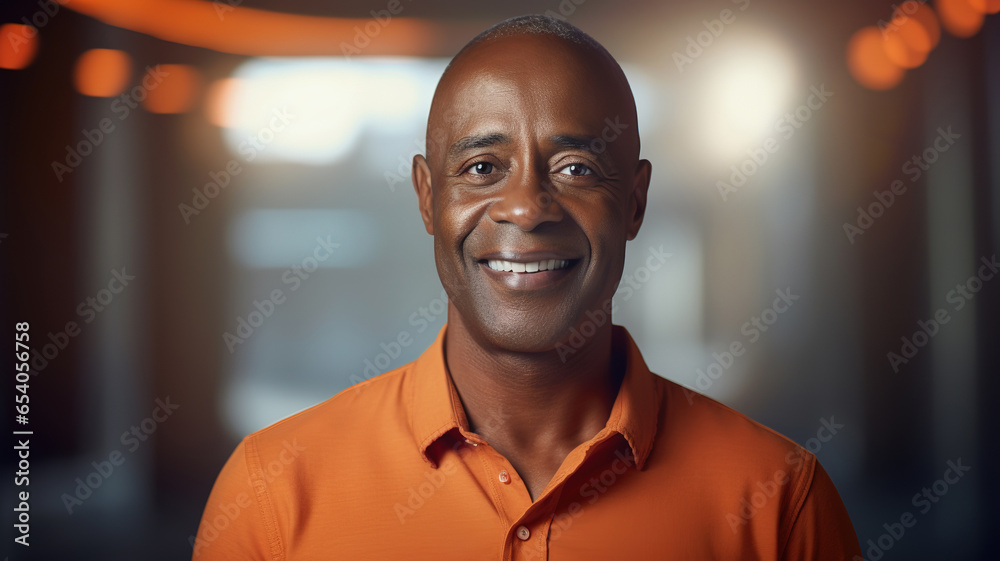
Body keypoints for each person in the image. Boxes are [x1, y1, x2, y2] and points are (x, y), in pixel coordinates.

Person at [193, 15, 862, 560]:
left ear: (634, 202)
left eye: (575, 168)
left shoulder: (780, 502)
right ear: (428, 199)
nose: (526, 206)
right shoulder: (273, 491)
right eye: (483, 166)